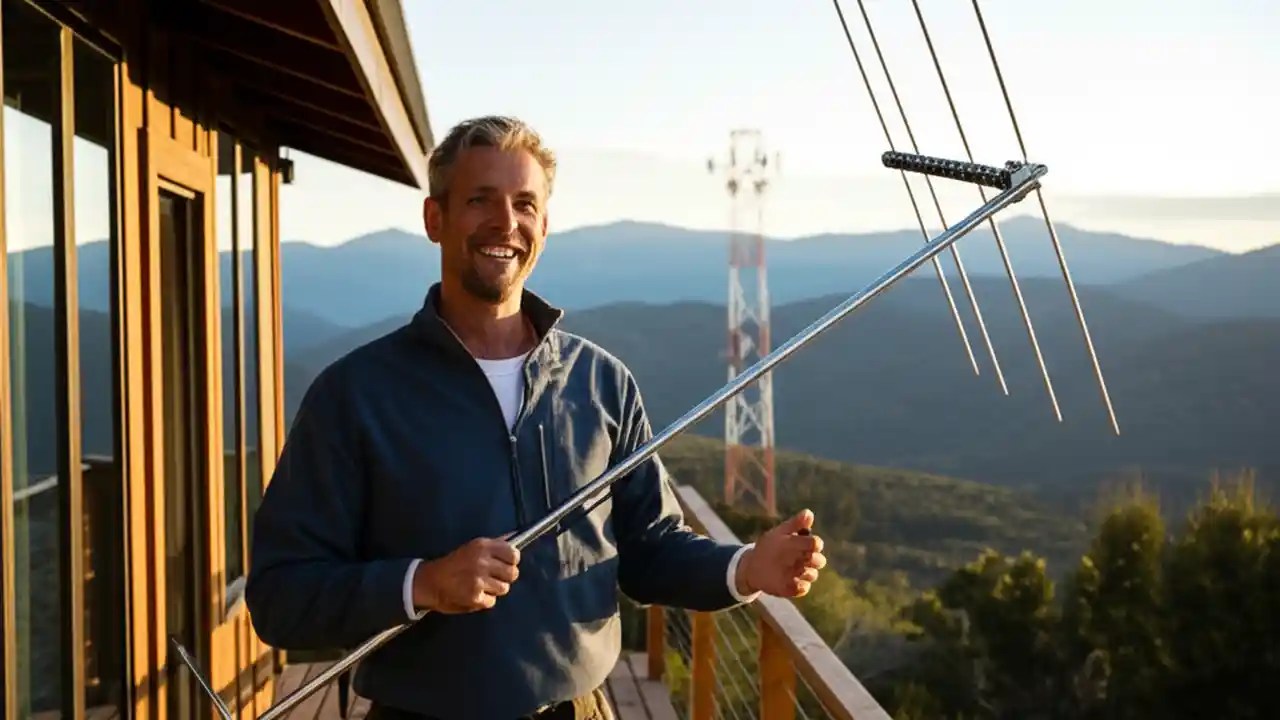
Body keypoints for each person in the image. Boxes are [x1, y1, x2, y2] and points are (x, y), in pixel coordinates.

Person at [245, 115, 826, 720]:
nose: (505, 223)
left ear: (544, 227)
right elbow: (280, 596)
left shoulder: (602, 383)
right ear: (434, 219)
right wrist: (424, 583)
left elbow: (650, 548)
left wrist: (746, 567)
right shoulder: (354, 394)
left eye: (525, 204)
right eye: (480, 200)